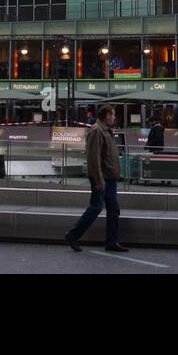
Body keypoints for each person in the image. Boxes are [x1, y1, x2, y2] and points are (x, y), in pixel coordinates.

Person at [65, 104, 126, 253]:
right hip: (102, 178)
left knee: (113, 209)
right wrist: (99, 179)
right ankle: (73, 234)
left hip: (109, 178)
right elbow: (94, 157)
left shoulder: (106, 131)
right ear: (106, 116)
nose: (114, 117)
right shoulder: (96, 131)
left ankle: (112, 242)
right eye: (112, 114)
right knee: (96, 207)